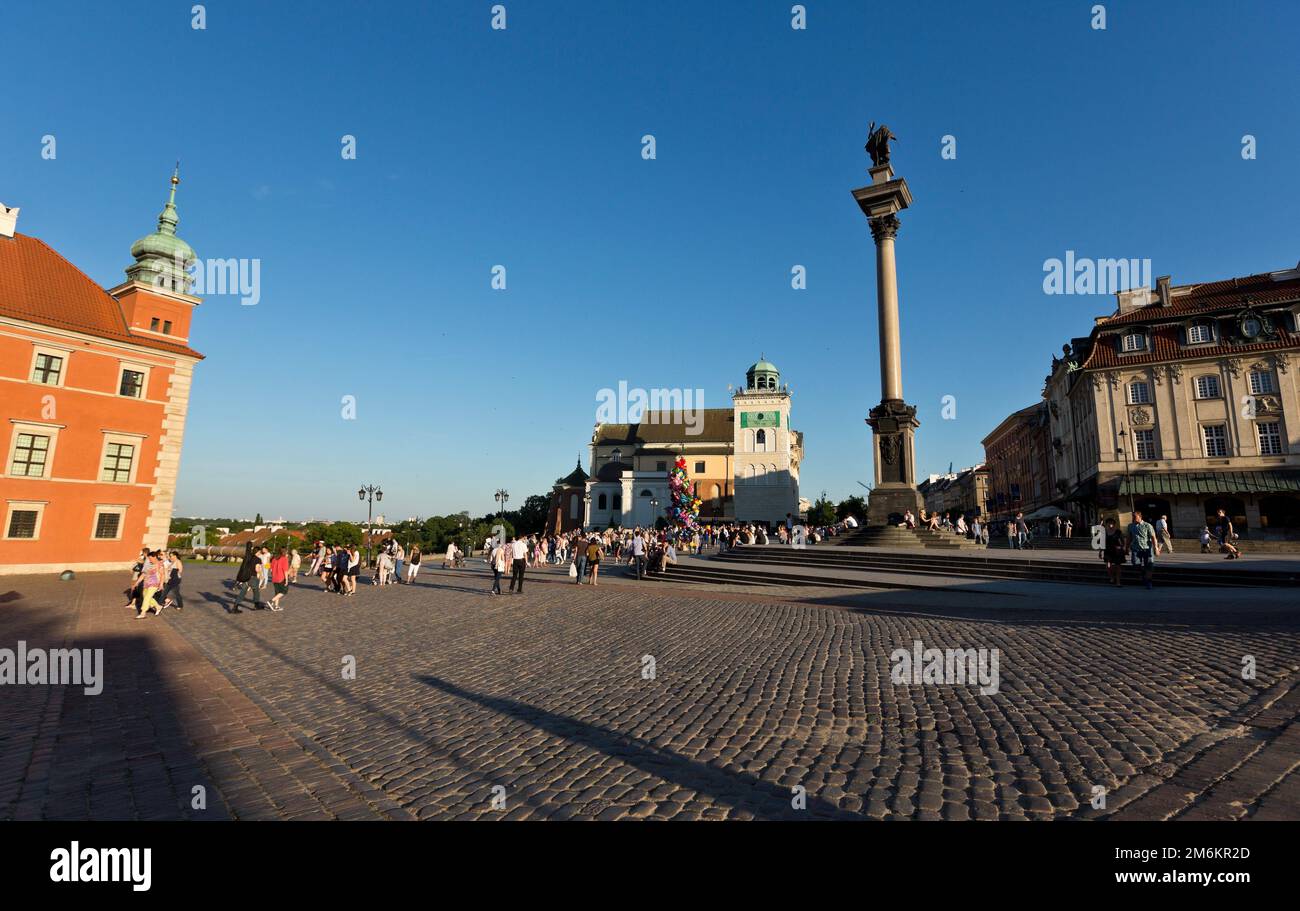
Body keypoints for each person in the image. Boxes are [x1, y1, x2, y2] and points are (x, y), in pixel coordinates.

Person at [1127, 510, 1157, 590]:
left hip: (1147, 548)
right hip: (1135, 548)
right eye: (1132, 516)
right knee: (1135, 563)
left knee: (1149, 565)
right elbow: (1129, 537)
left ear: (1140, 517)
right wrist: (1126, 547)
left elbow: (1153, 537)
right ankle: (1144, 574)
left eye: (1135, 516)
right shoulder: (1130, 526)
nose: (1133, 518)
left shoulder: (1147, 525)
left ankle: (1149, 581)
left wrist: (1156, 548)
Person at [233, 541, 262, 612]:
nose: (260, 553)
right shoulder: (258, 559)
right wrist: (260, 574)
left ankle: (235, 606)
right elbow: (257, 569)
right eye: (260, 552)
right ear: (258, 552)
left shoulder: (248, 557)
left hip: (246, 577)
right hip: (253, 577)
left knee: (243, 592)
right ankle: (256, 605)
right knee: (256, 591)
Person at [1101, 517, 1127, 586]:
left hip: (1117, 551)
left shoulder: (1118, 532)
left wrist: (1123, 548)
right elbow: (1102, 543)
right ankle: (1112, 577)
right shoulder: (1104, 533)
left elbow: (1123, 542)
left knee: (1117, 567)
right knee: (1108, 566)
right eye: (1108, 523)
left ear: (1114, 524)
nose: (1110, 525)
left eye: (1111, 523)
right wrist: (1100, 552)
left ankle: (1118, 582)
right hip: (1108, 551)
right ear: (1106, 524)